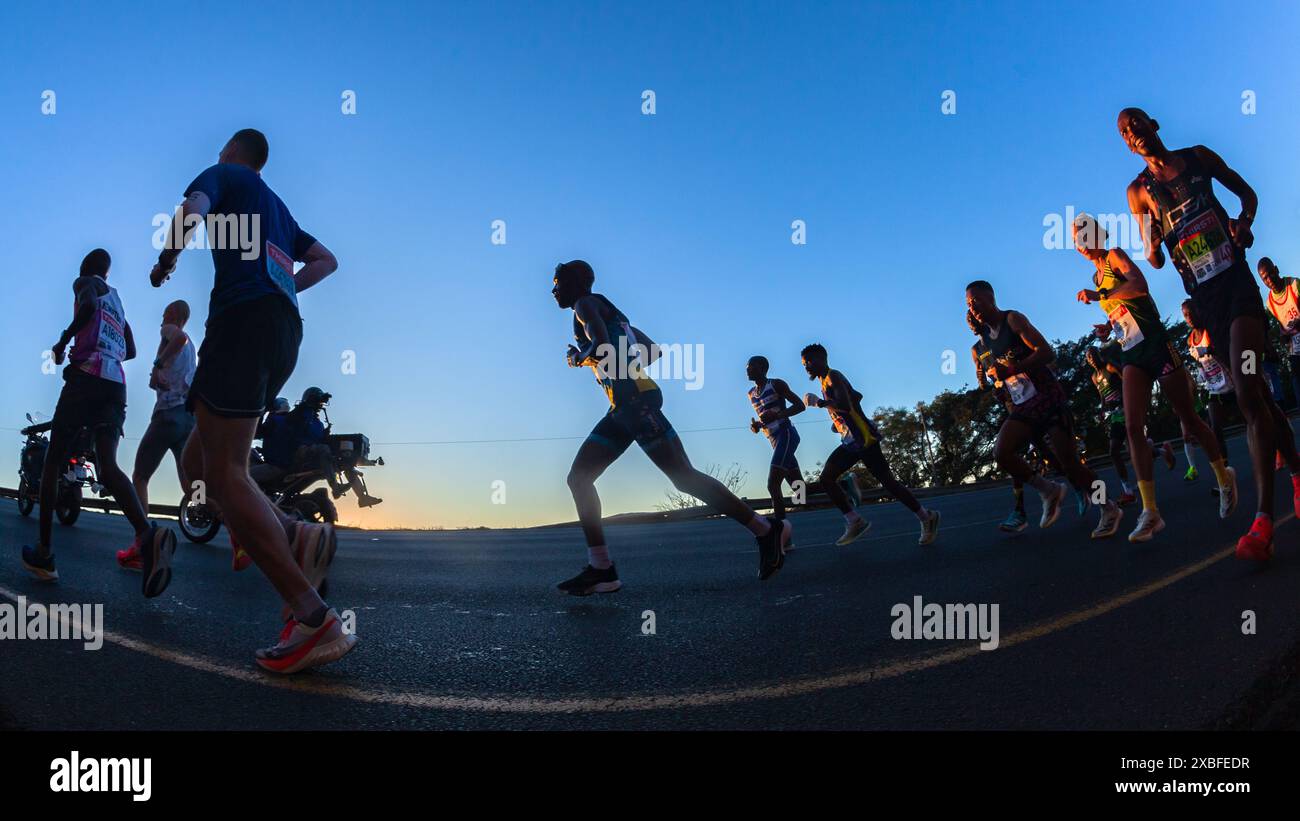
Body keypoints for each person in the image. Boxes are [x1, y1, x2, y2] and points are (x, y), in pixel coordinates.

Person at [151, 128, 353, 672]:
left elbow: (191, 209)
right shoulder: (280, 209)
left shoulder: (225, 175)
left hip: (241, 322)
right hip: (282, 332)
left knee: (225, 475)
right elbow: (327, 260)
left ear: (232, 152)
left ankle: (314, 618)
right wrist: (284, 286)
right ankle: (279, 531)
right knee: (200, 458)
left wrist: (166, 260)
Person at [1119, 107, 1300, 559]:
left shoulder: (1198, 157)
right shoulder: (1139, 192)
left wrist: (1244, 223)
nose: (1131, 132)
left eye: (1136, 121)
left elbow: (1247, 195)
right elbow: (1154, 256)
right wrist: (1155, 242)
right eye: (1123, 131)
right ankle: (1297, 474)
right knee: (1254, 393)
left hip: (1237, 286)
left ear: (1154, 124)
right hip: (1205, 302)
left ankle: (1262, 522)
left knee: (1244, 393)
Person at [553, 260, 792, 593]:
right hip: (628, 404)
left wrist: (579, 357)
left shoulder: (584, 305)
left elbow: (603, 346)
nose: (553, 291)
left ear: (576, 284)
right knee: (582, 478)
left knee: (682, 477)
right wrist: (619, 363)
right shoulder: (616, 313)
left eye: (557, 283)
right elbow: (652, 351)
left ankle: (767, 530)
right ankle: (601, 568)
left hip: (633, 404)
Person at [21, 249, 177, 595]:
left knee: (53, 461)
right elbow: (132, 348)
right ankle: (147, 535)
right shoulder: (118, 303)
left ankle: (45, 555)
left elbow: (88, 305)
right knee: (107, 467)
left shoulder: (85, 283)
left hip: (86, 379)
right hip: (115, 385)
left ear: (87, 270)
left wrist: (64, 341)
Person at [1073, 212, 1237, 541]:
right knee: (1133, 426)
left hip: (1157, 345)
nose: (1079, 244)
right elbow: (1124, 309)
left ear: (1095, 235)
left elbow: (1139, 286)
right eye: (1075, 240)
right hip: (1131, 351)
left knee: (1188, 418)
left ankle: (1223, 476)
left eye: (1083, 235)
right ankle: (1150, 512)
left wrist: (1102, 297)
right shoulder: (1095, 278)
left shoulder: (1113, 256)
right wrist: (1109, 326)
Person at [966, 280, 1123, 538]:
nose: (973, 308)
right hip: (1022, 404)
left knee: (1071, 465)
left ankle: (1109, 507)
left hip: (1047, 398)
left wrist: (1014, 369)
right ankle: (1048, 489)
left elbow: (1046, 352)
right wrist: (1000, 381)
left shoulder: (1013, 320)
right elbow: (1004, 370)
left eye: (976, 301)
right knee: (1002, 452)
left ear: (990, 298)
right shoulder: (983, 340)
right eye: (969, 305)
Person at [799, 343, 941, 546]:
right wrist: (838, 423)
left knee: (832, 479)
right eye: (804, 364)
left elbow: (846, 406)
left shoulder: (834, 376)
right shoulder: (825, 382)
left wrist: (820, 404)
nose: (807, 367)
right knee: (883, 483)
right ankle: (925, 517)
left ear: (823, 358)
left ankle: (856, 519)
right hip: (853, 438)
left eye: (810, 361)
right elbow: (856, 397)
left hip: (862, 439)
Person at [118, 300, 197, 571]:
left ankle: (142, 543)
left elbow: (179, 338)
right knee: (190, 485)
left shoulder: (170, 330)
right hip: (188, 419)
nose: (161, 318)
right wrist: (157, 374)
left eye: (164, 312)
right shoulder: (192, 351)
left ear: (173, 315)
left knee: (140, 476)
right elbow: (159, 380)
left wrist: (157, 362)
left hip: (168, 415)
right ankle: (235, 528)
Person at [253, 387, 381, 507]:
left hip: (295, 459)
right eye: (317, 400)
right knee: (323, 449)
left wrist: (326, 435)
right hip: (299, 453)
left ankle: (362, 497)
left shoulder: (317, 423)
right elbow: (291, 422)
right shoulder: (297, 415)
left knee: (346, 460)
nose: (320, 405)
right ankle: (336, 488)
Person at [745, 356, 806, 522]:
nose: (747, 369)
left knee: (773, 485)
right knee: (799, 489)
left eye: (751, 366)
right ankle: (846, 485)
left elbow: (800, 405)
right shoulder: (751, 394)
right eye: (746, 367)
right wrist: (757, 426)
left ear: (762, 368)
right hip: (773, 440)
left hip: (786, 435)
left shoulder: (776, 384)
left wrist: (778, 415)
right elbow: (766, 418)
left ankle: (781, 533)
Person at [1085, 344, 1137, 506]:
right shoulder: (1094, 377)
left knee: (1131, 450)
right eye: (1088, 357)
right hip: (1114, 416)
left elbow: (1127, 378)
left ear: (1099, 354)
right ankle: (1128, 488)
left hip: (1126, 409)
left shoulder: (1110, 366)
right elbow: (1102, 395)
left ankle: (1129, 490)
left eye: (1093, 354)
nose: (1092, 359)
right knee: (1115, 450)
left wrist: (1130, 399)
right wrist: (1102, 411)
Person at [1257, 257, 1300, 407]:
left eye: (1270, 274)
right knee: (1296, 380)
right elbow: (1282, 324)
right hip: (1295, 349)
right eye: (1265, 279)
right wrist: (1283, 335)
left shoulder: (1295, 284)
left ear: (1276, 270)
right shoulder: (1270, 303)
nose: (1270, 280)